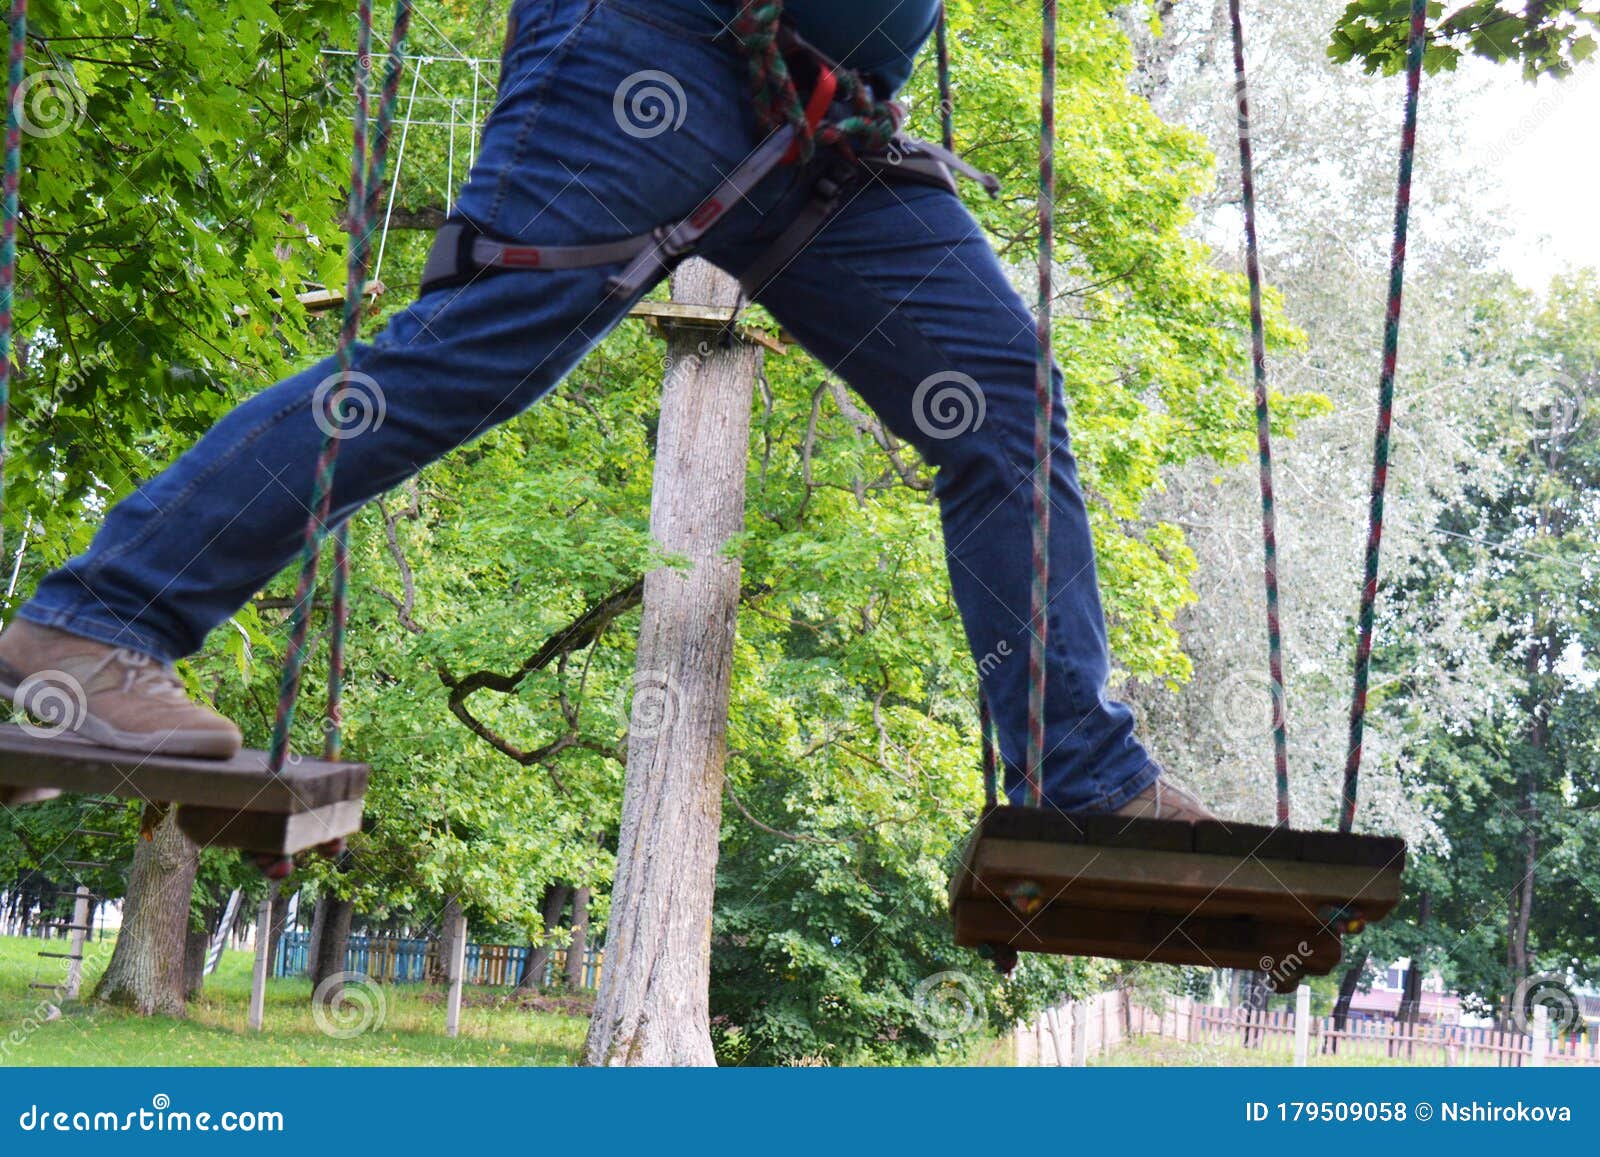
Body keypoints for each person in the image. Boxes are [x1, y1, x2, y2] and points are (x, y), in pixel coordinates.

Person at [0, 0, 1210, 821]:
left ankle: (1084, 777)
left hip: (818, 114)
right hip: (657, 35)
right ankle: (94, 625)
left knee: (999, 394)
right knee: (472, 353)